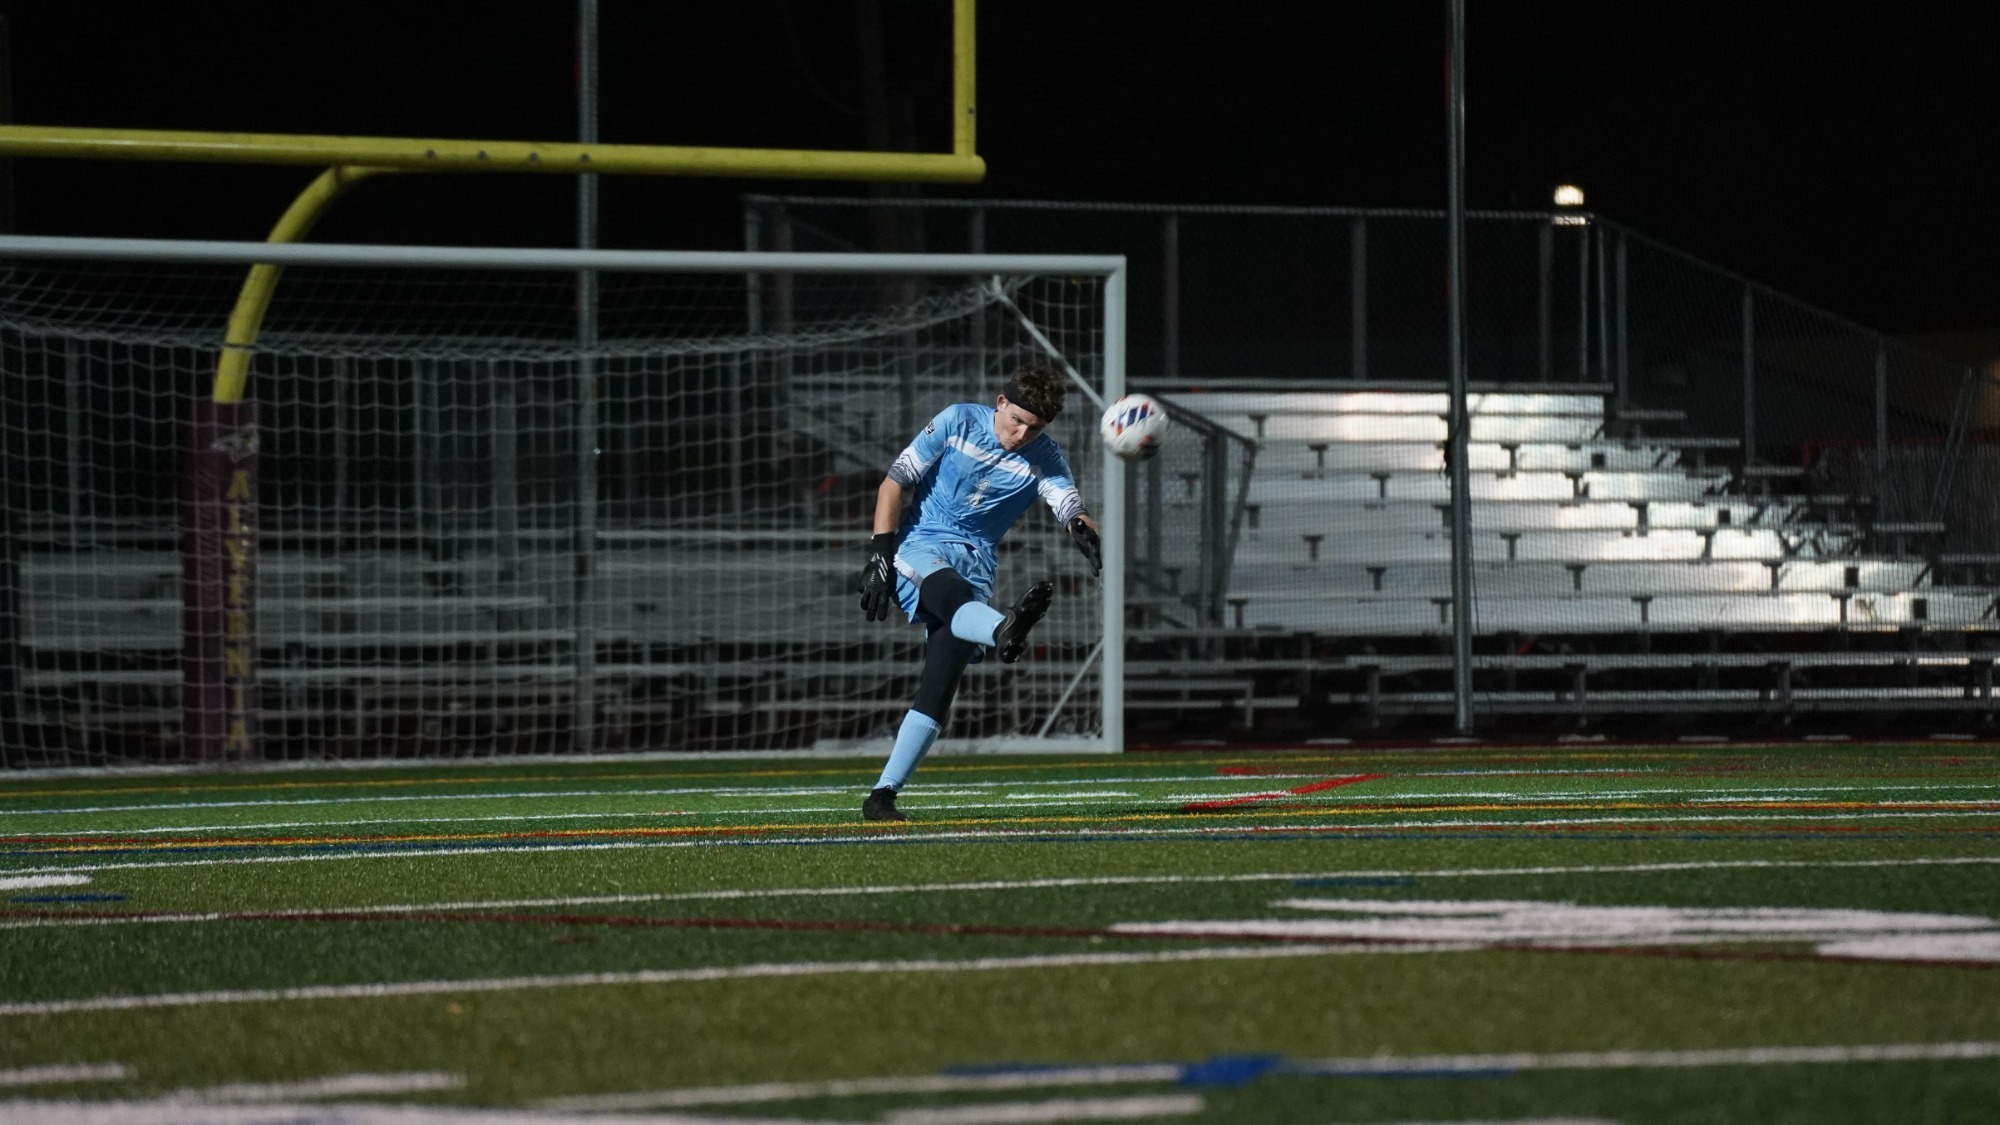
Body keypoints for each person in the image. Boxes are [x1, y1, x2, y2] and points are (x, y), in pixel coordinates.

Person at [855, 363, 1103, 822]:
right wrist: (879, 556)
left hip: (978, 566)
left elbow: (1070, 504)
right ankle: (1001, 628)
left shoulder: (1045, 456)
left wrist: (1084, 531)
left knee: (939, 685)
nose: (1022, 434)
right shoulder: (955, 422)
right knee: (951, 598)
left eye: (1035, 428)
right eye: (1017, 421)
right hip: (922, 544)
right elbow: (895, 482)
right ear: (1001, 402)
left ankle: (882, 795)